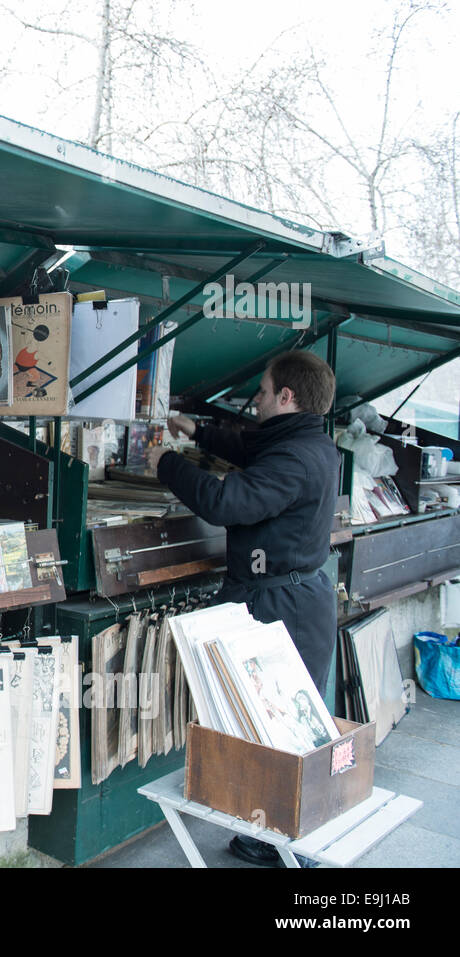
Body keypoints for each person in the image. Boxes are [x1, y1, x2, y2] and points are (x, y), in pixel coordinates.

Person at [149, 351, 339, 868]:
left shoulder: (295, 459)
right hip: (290, 595)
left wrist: (166, 463)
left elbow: (227, 504)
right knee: (272, 729)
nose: (253, 400)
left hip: (284, 605)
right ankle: (266, 834)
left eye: (261, 392)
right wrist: (197, 432)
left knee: (282, 728)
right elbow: (251, 444)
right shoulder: (307, 441)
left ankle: (294, 846)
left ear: (286, 396)